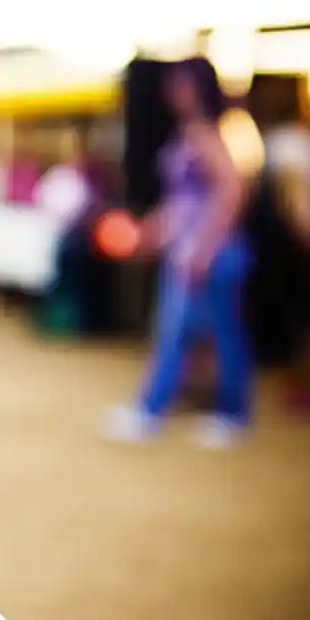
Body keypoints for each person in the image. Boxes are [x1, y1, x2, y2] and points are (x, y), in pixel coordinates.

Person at [105, 58, 252, 449]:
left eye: (180, 86)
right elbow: (180, 203)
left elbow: (230, 191)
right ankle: (209, 412)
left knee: (206, 334)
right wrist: (148, 234)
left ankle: (180, 412)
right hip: (193, 253)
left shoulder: (205, 133)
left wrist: (204, 248)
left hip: (207, 255)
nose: (173, 94)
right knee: (195, 334)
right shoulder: (191, 133)